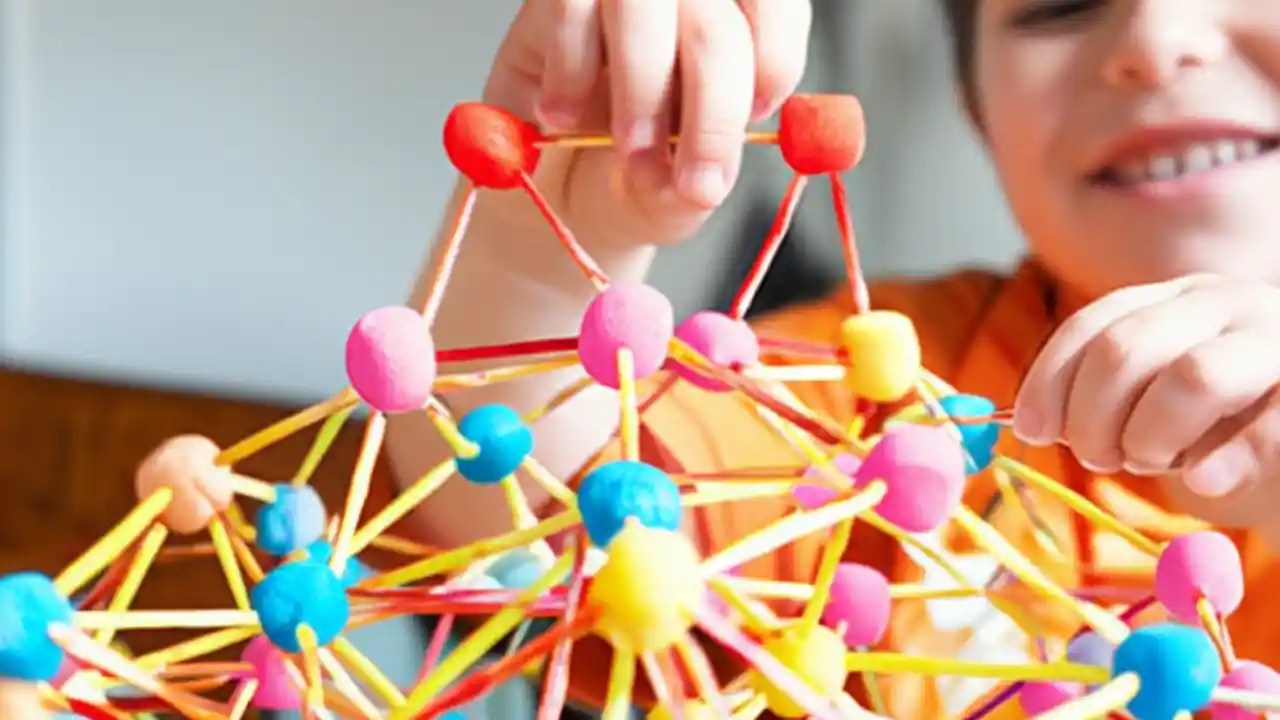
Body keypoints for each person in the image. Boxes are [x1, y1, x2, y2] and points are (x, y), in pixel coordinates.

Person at [366, 0, 1280, 716]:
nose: (1156, 41)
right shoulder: (882, 391)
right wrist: (544, 241)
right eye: (1056, 3)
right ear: (977, 108)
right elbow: (516, 526)